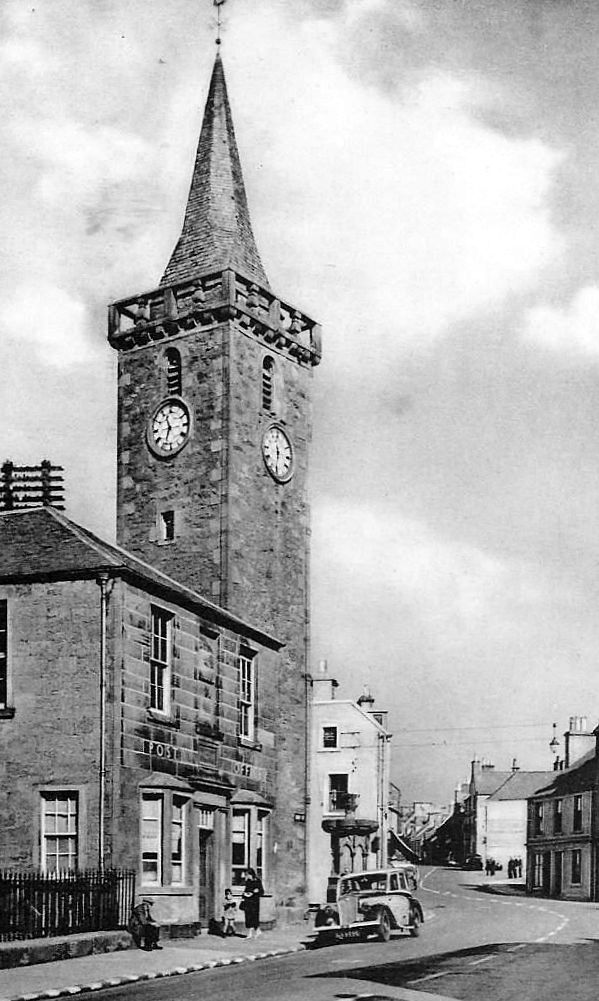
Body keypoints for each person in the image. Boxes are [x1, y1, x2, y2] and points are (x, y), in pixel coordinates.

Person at [241, 867, 264, 939]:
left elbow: (262, 892)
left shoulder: (257, 881)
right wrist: (244, 894)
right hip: (248, 901)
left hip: (254, 902)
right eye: (246, 875)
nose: (247, 876)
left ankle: (256, 931)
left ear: (251, 874)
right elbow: (246, 890)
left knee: (254, 917)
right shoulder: (248, 881)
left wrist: (257, 891)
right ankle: (251, 933)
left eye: (248, 875)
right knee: (248, 917)